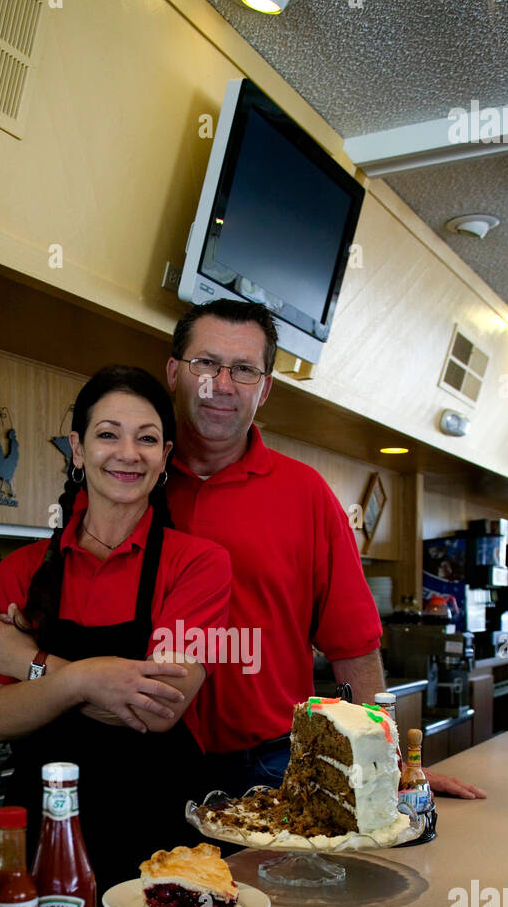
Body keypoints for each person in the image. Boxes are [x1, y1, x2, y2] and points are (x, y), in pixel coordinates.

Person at [162, 299, 485, 800]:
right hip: (147, 761)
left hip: (270, 767)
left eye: (244, 370)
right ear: (174, 372)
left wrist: (389, 767)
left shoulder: (306, 494)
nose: (221, 384)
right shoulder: (134, 484)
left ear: (265, 388)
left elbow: (353, 648)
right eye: (205, 363)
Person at [0, 365, 233, 891]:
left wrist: (31, 664)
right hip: (46, 832)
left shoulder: (200, 564)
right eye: (108, 434)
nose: (128, 453)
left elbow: (157, 709)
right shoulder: (18, 571)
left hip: (161, 838)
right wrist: (90, 680)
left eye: (147, 439)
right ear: (78, 448)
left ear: (166, 457)